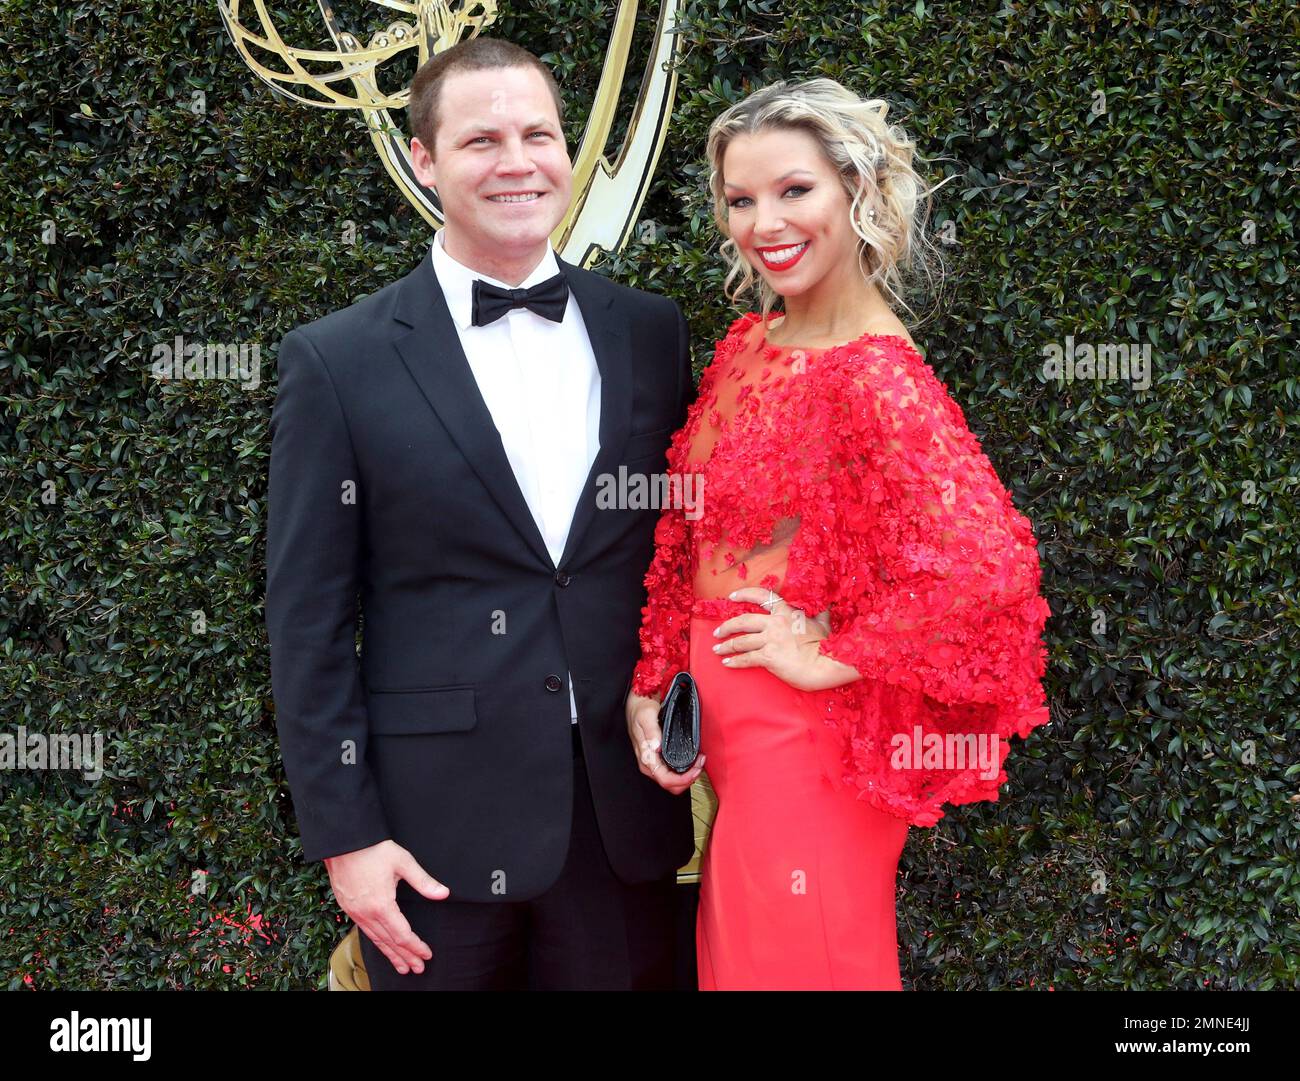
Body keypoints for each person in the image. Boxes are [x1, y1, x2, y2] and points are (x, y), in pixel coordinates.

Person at [266, 37, 695, 991]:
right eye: (481, 140)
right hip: (429, 842)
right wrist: (347, 839)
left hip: (621, 826)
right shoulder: (337, 361)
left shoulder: (653, 329)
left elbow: (684, 550)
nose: (517, 162)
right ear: (423, 160)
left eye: (538, 133)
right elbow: (308, 621)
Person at [626, 77, 1052, 990]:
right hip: (733, 742)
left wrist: (834, 652)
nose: (763, 222)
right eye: (741, 200)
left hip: (804, 749)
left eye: (794, 190)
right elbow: (689, 534)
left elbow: (991, 563)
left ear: (858, 192)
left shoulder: (875, 375)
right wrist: (656, 677)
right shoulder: (751, 343)